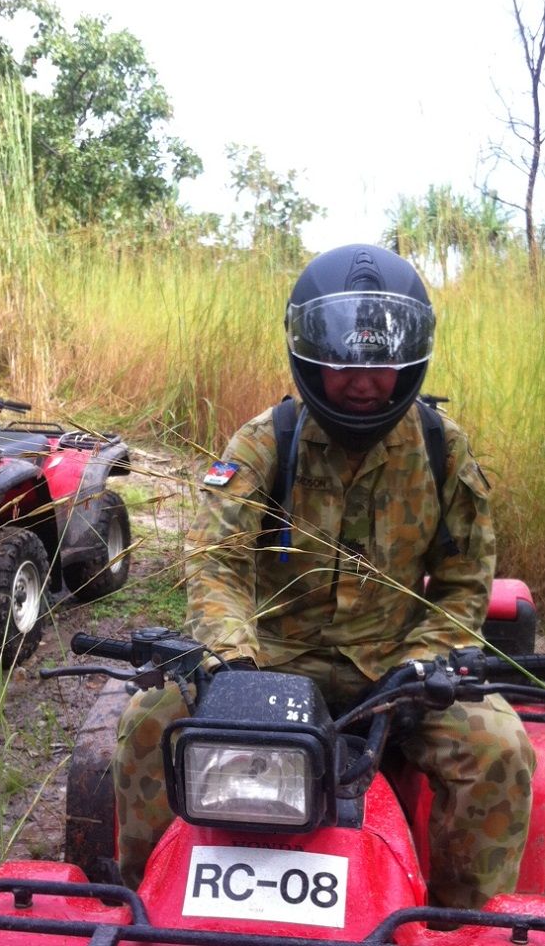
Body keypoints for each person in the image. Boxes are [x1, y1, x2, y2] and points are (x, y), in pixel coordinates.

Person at [113, 243, 535, 909]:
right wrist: (231, 665)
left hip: (394, 670)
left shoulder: (440, 448)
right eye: (343, 364)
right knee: (147, 723)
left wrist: (423, 661)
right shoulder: (264, 441)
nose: (363, 381)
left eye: (381, 365)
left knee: (499, 748)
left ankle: (460, 922)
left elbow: (463, 583)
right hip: (269, 659)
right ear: (310, 358)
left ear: (409, 361)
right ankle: (141, 904)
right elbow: (216, 561)